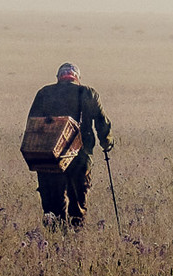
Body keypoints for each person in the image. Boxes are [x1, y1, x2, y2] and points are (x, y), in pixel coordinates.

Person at [27, 62, 112, 228]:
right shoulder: (88, 92)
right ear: (77, 78)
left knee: (52, 205)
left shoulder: (44, 93)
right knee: (77, 202)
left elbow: (32, 125)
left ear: (58, 78)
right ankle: (76, 236)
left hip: (47, 157)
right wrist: (107, 142)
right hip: (79, 156)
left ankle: (54, 239)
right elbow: (102, 122)